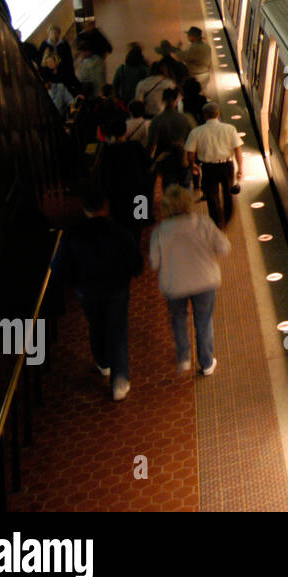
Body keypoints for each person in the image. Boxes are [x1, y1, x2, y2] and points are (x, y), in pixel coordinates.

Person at [49, 185, 142, 401]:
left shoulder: (72, 235)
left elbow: (59, 268)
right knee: (117, 331)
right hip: (117, 289)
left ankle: (103, 362)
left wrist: (74, 283)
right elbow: (136, 264)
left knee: (96, 326)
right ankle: (119, 381)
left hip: (87, 292)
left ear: (83, 208)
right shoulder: (120, 232)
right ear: (106, 206)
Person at [149, 185, 229, 376]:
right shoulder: (204, 223)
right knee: (203, 320)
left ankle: (184, 357)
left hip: (174, 285)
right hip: (205, 281)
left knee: (178, 318)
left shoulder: (159, 231)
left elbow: (154, 263)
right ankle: (207, 362)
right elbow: (224, 247)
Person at [185, 102, 244, 228]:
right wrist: (240, 168)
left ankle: (217, 222)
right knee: (228, 193)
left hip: (208, 167)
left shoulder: (196, 132)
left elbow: (190, 153)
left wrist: (193, 165)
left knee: (211, 195)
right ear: (218, 114)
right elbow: (237, 149)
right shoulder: (230, 129)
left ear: (204, 115)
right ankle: (227, 218)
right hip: (227, 165)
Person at [93, 118, 152, 240]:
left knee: (121, 227)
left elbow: (103, 177)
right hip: (139, 194)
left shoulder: (107, 152)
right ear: (125, 131)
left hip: (118, 198)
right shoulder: (136, 146)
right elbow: (149, 166)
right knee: (138, 225)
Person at [148, 88, 195, 157]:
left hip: (163, 156)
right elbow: (193, 139)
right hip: (182, 155)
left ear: (163, 100)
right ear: (177, 100)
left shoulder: (157, 120)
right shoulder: (186, 118)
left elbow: (152, 143)